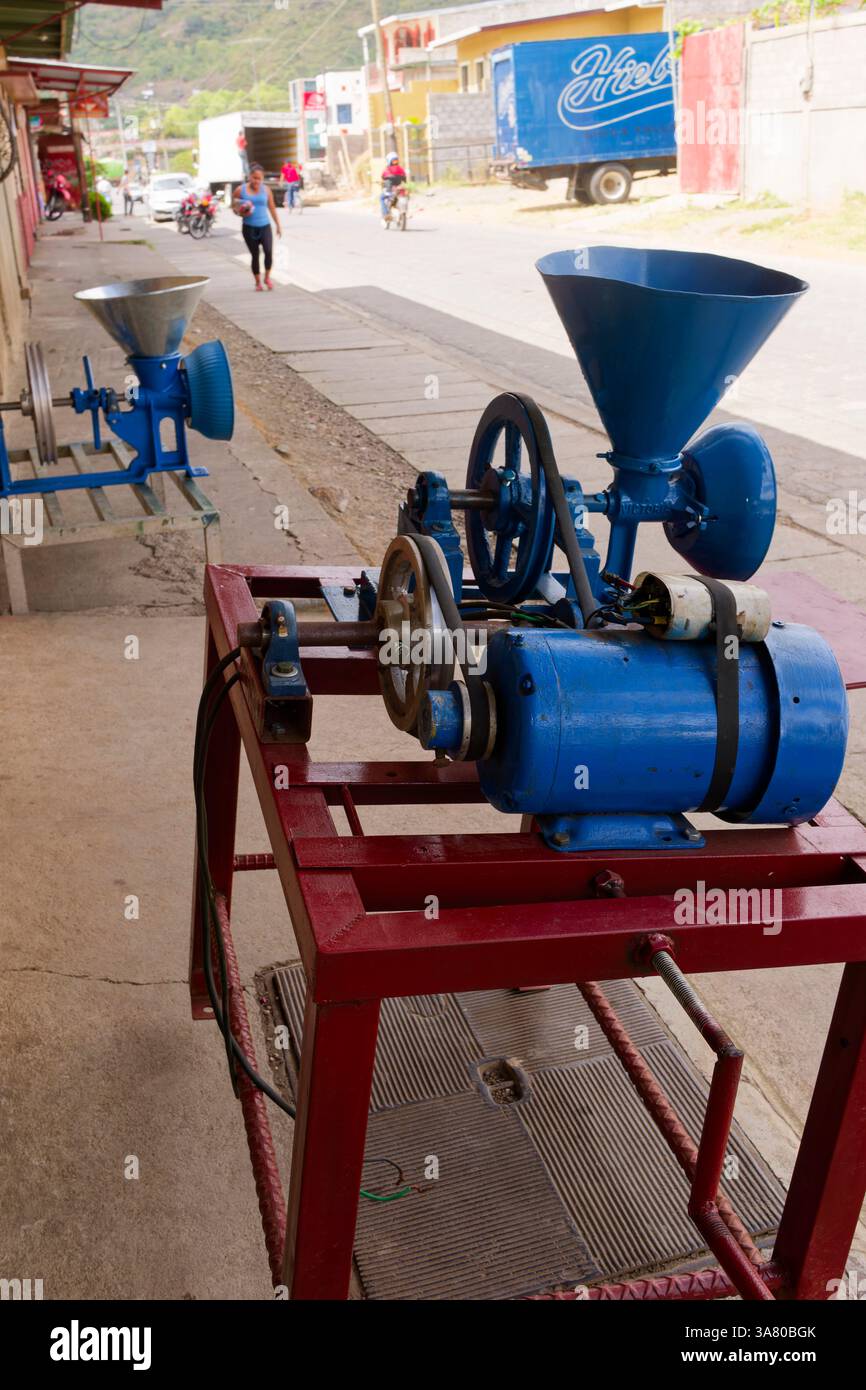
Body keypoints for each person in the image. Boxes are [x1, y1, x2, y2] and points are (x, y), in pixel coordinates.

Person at [232, 163, 282, 291]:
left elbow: (271, 207)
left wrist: (278, 225)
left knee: (268, 252)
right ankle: (258, 282)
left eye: (259, 178)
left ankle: (267, 277)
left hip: (265, 226)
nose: (257, 181)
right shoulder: (240, 190)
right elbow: (234, 207)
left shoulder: (266, 190)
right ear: (250, 177)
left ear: (262, 178)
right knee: (255, 255)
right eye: (254, 178)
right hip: (249, 227)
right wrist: (241, 212)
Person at [380, 152, 407, 223]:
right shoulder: (401, 169)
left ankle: (386, 214)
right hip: (399, 189)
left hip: (390, 190)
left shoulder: (387, 169)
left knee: (382, 198)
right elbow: (405, 178)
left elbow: (382, 177)